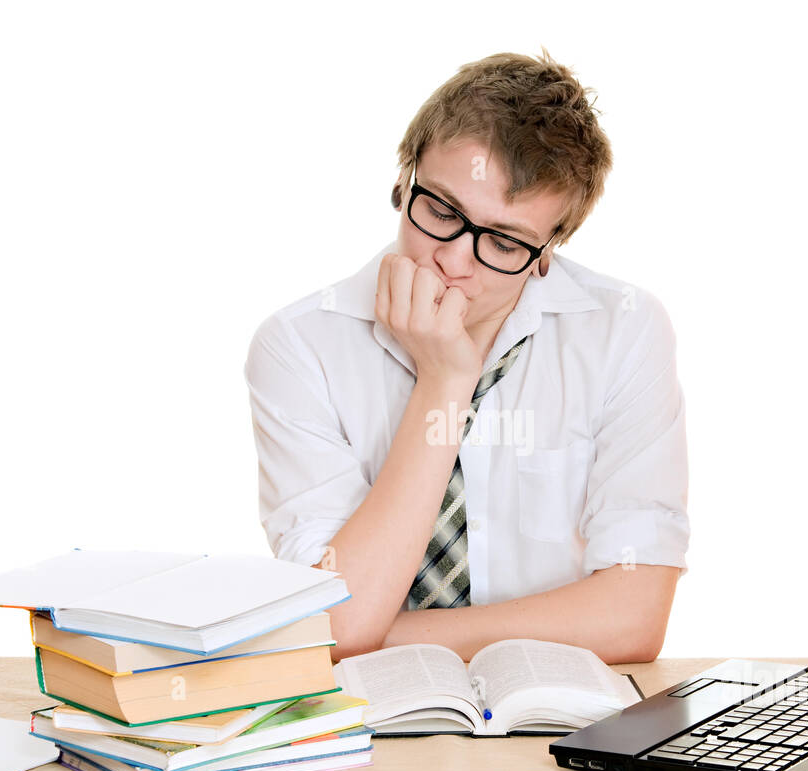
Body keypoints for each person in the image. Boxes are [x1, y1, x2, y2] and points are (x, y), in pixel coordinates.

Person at [245, 49, 689, 664]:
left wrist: (372, 632)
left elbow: (635, 619)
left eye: (504, 241)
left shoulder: (623, 330)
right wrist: (445, 380)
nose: (455, 261)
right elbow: (337, 625)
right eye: (442, 211)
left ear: (545, 255)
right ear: (403, 182)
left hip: (556, 718)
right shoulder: (297, 347)